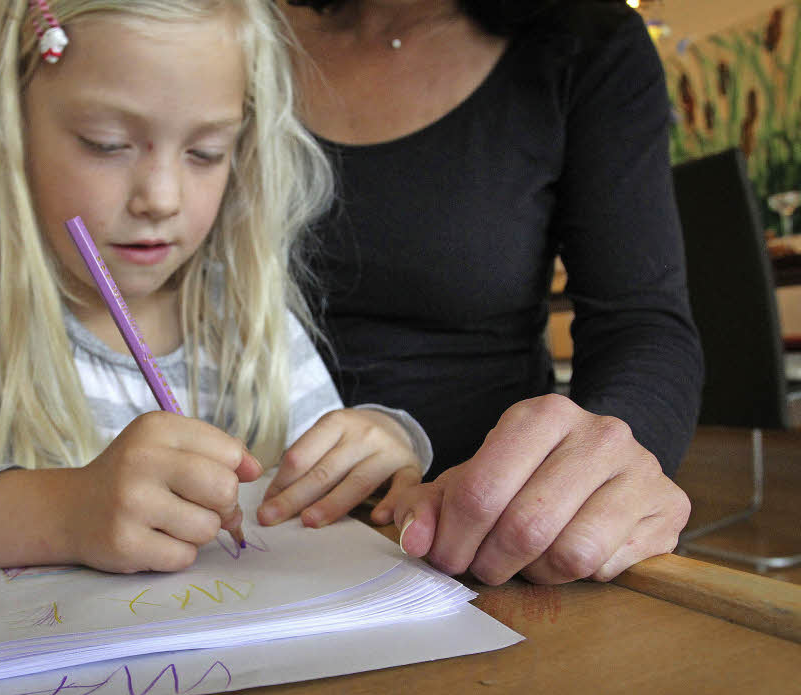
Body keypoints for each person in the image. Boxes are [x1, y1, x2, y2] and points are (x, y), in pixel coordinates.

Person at [0, 0, 432, 591]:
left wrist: (382, 442)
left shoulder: (239, 302)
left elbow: (326, 480)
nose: (161, 198)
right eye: (107, 144)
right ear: (9, 118)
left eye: (206, 152)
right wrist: (64, 510)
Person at [267, 0, 704, 584]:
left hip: (490, 546)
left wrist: (597, 464)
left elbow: (640, 320)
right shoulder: (228, 29)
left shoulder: (587, 43)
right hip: (247, 521)